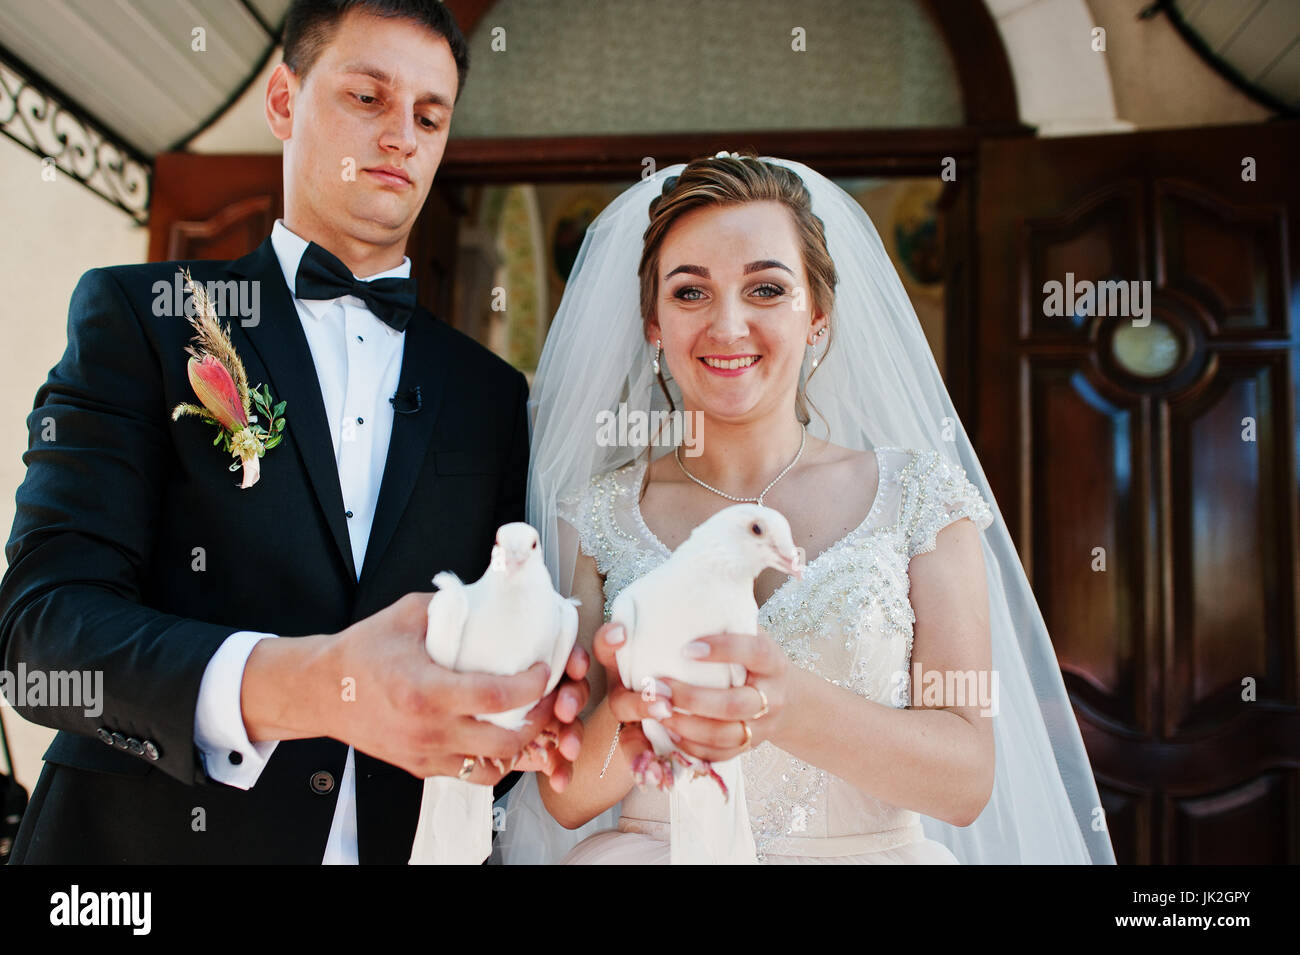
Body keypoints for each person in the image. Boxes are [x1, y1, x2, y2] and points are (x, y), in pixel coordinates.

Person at [0, 0, 586, 864]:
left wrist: (531, 704)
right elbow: (41, 635)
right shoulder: (145, 317)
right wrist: (311, 689)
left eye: (430, 115)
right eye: (367, 98)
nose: (402, 136)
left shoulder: (493, 396)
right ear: (283, 101)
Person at [499, 153, 1117, 864]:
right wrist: (630, 713)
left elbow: (967, 780)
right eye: (691, 293)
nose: (728, 326)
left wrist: (785, 704)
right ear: (654, 325)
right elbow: (568, 791)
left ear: (817, 316)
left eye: (766, 288)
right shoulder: (597, 517)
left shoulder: (922, 499)